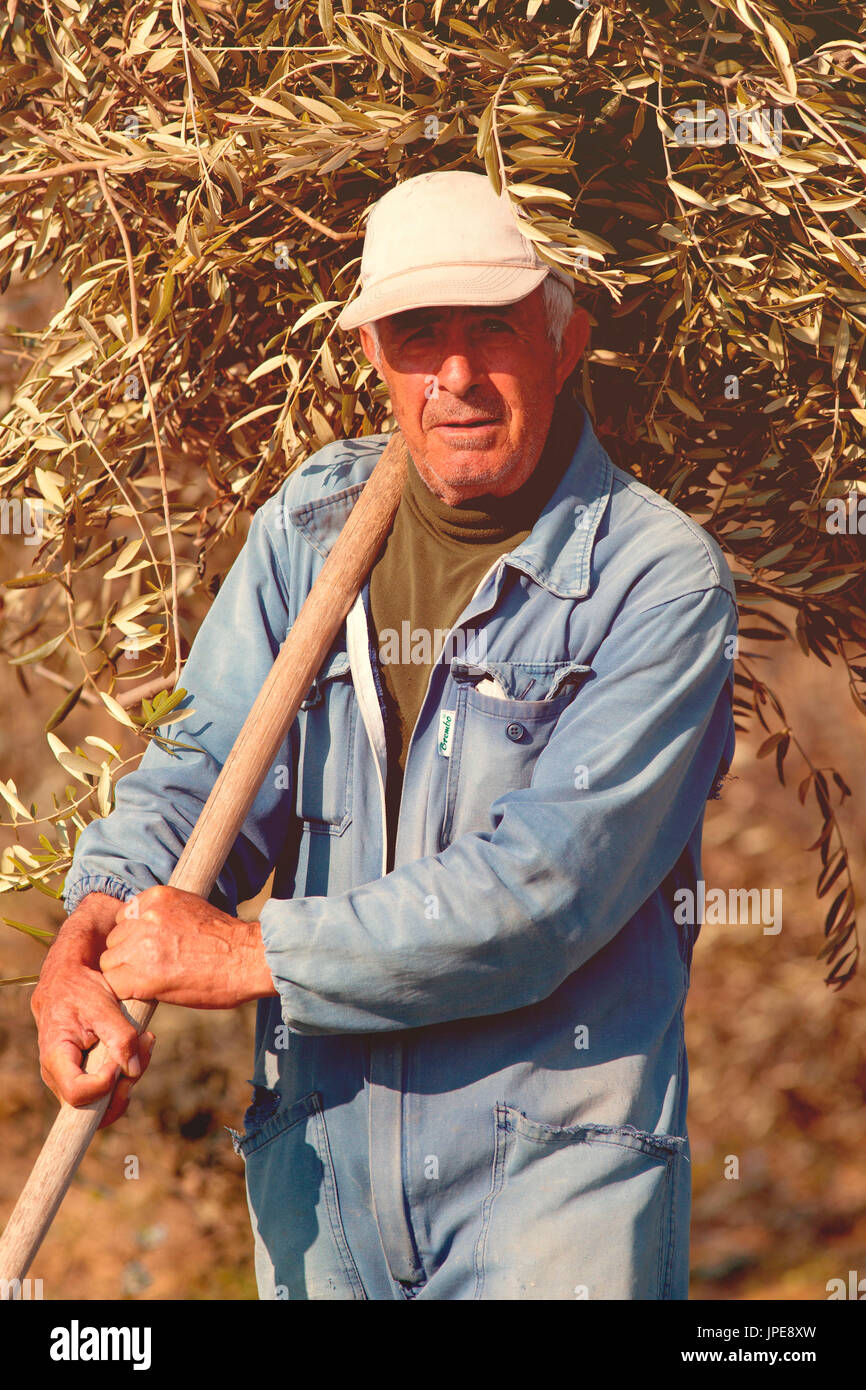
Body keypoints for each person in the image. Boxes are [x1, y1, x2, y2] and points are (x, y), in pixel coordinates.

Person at [34, 170, 737, 1300]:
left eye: (493, 330)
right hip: (320, 1173)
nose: (455, 375)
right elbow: (200, 767)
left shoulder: (656, 584)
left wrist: (249, 955)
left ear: (566, 342)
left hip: (552, 1189)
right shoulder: (309, 527)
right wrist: (88, 936)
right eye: (418, 335)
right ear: (372, 353)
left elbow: (543, 891)